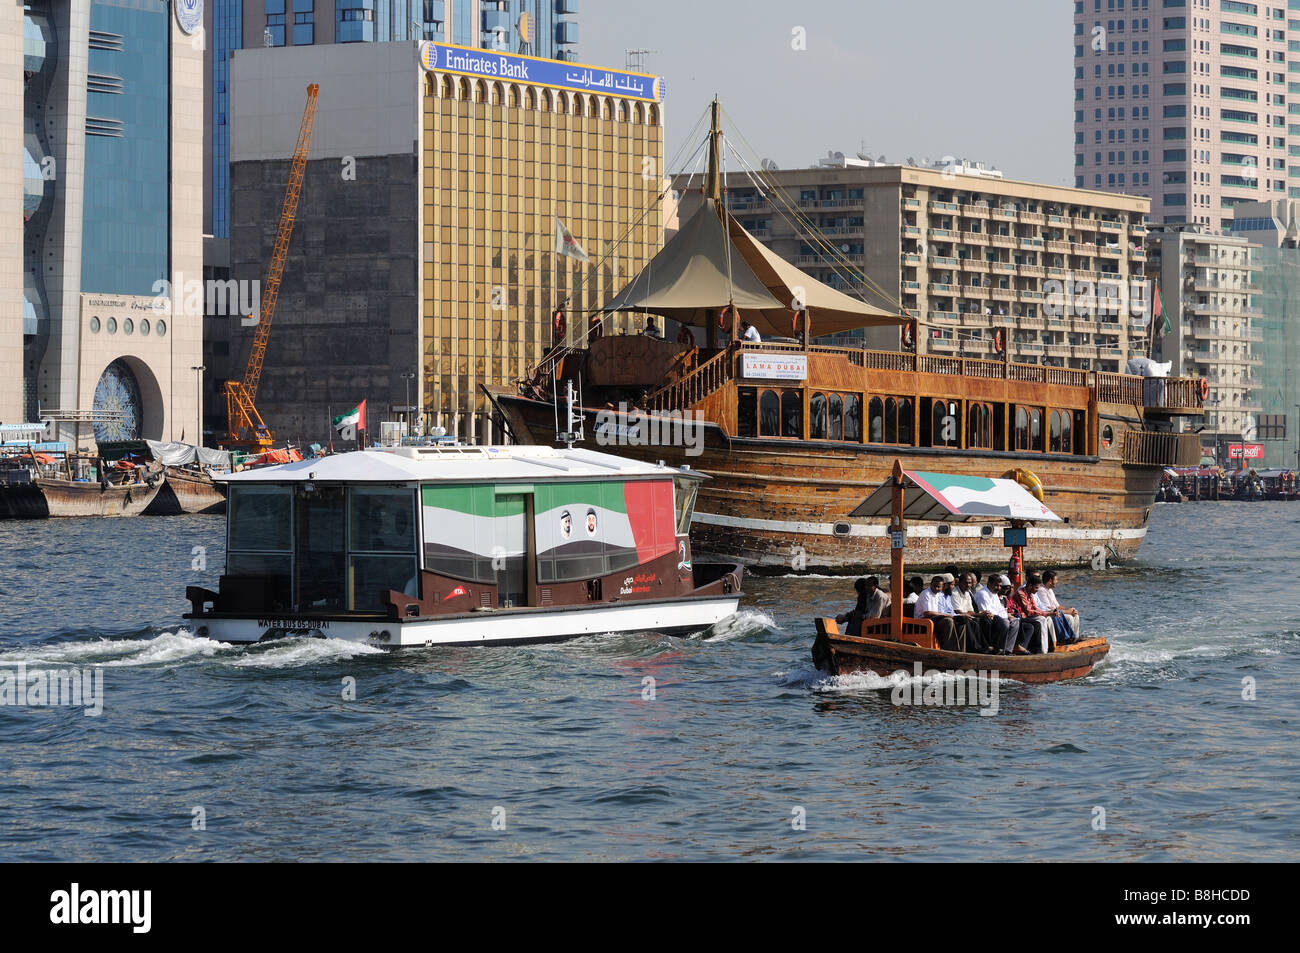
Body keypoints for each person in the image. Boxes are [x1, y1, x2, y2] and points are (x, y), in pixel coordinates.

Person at [972, 571, 1019, 655]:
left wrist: (1006, 615)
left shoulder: (994, 594)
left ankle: (1007, 650)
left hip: (997, 617)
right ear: (989, 583)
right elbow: (987, 612)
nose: (998, 588)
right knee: (1005, 622)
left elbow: (1001, 609)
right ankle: (999, 649)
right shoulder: (983, 594)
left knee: (1015, 621)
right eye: (996, 585)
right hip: (986, 618)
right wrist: (1004, 616)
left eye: (1000, 586)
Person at [916, 574, 966, 652]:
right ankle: (950, 650)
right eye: (934, 586)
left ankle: (961, 651)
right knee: (948, 621)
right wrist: (947, 615)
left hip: (933, 620)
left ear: (942, 587)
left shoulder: (937, 594)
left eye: (939, 587)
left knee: (961, 622)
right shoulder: (926, 594)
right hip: (923, 622)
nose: (936, 588)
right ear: (930, 584)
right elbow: (927, 613)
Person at [1008, 573, 1055, 653]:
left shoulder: (1030, 594)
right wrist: (1046, 613)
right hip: (1022, 616)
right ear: (1030, 586)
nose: (1037, 590)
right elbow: (1028, 611)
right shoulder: (1021, 593)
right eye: (1036, 588)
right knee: (1041, 621)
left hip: (1027, 615)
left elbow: (1035, 608)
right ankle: (1040, 649)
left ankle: (1048, 647)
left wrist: (1047, 613)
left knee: (1045, 619)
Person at [953, 571, 996, 653]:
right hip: (958, 616)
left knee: (981, 621)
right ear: (959, 582)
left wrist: (980, 615)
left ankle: (986, 646)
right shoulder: (955, 593)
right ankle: (976, 647)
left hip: (967, 615)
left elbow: (970, 611)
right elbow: (958, 611)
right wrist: (979, 614)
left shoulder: (967, 593)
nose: (968, 585)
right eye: (966, 583)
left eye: (970, 583)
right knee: (969, 621)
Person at [1036, 569, 1080, 644]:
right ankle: (1067, 640)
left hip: (1056, 611)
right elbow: (1050, 609)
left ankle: (1075, 638)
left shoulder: (1050, 590)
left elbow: (1057, 606)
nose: (1057, 582)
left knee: (1076, 616)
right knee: (1069, 618)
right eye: (1056, 580)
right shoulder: (1041, 590)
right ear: (1050, 581)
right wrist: (1068, 612)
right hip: (1050, 613)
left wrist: (1070, 609)